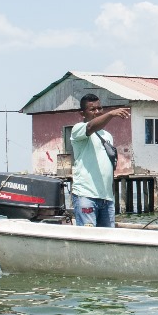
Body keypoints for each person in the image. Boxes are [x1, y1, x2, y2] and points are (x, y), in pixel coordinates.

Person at [70, 93, 130, 227]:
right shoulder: (78, 129)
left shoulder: (107, 135)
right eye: (92, 109)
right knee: (89, 239)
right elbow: (91, 127)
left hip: (106, 198)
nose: (97, 112)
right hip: (86, 196)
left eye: (99, 108)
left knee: (107, 240)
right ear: (82, 113)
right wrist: (110, 114)